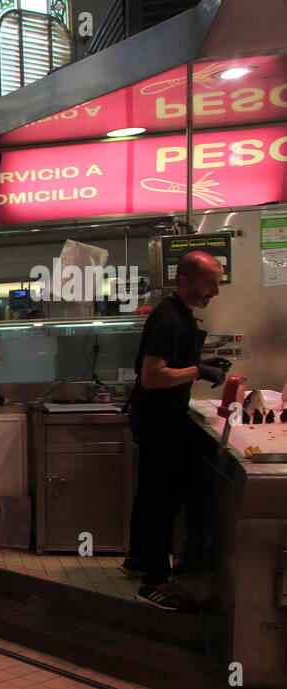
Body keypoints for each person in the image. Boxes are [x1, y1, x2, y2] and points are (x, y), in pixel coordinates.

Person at [122, 250, 229, 611]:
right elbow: (152, 377)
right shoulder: (169, 319)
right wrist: (198, 371)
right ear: (184, 281)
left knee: (153, 494)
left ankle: (138, 559)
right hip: (158, 421)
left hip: (163, 418)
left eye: (217, 284)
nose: (213, 291)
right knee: (161, 501)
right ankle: (154, 582)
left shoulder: (179, 314)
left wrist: (199, 364)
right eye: (208, 283)